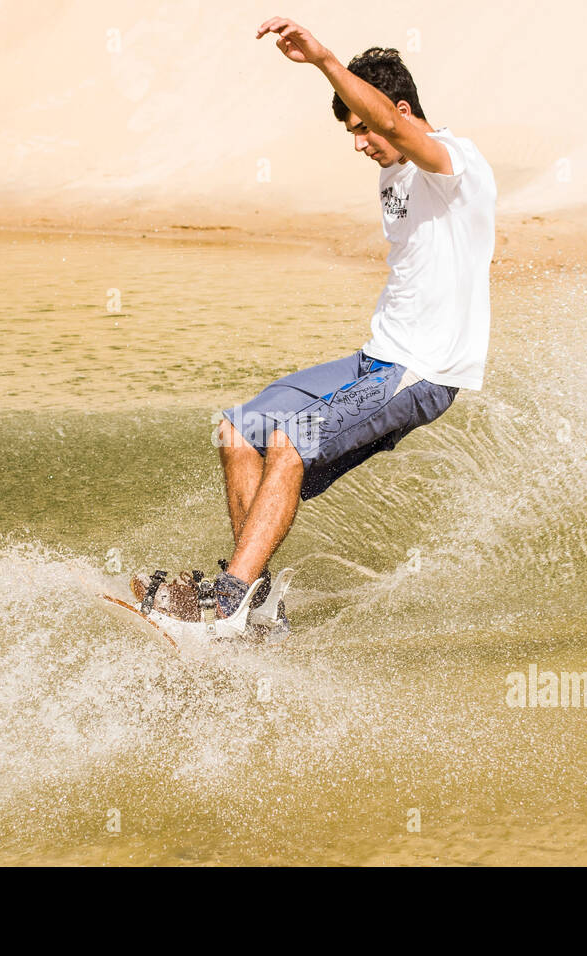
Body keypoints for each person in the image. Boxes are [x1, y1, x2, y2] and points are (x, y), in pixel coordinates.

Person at [132, 16, 497, 631]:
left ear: (399, 110)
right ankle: (253, 601)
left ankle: (225, 602)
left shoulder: (454, 164)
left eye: (360, 129)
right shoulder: (394, 176)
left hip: (423, 370)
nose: (359, 144)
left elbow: (389, 125)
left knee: (292, 440)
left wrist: (326, 60)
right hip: (374, 357)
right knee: (238, 429)